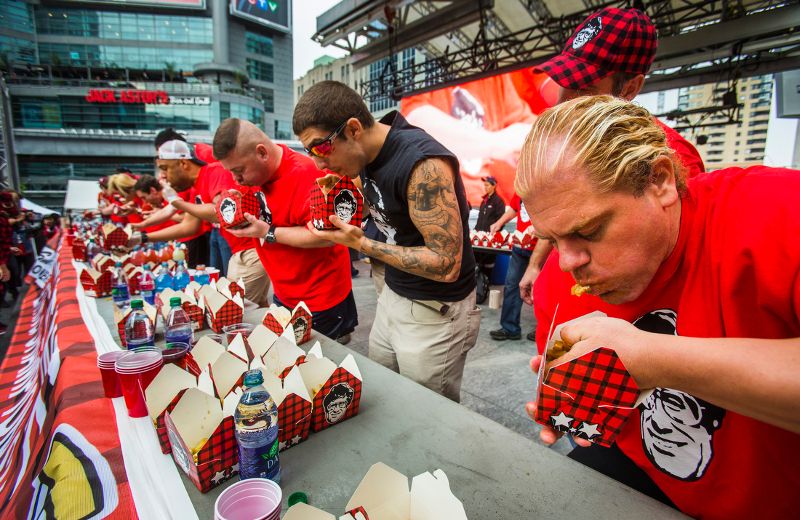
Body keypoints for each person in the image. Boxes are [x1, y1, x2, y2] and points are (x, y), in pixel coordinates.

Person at [519, 95, 799, 518]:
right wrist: (573, 406)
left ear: (660, 181)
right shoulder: (557, 284)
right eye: (552, 239)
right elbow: (593, 414)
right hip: (645, 480)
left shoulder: (773, 214)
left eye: (590, 230)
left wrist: (648, 357)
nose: (568, 261)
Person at [293, 81, 481, 402]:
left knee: (427, 411)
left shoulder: (422, 164)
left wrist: (361, 244)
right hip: (393, 295)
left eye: (321, 147)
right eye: (308, 152)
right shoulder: (367, 155)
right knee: (382, 395)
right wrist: (344, 191)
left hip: (433, 310)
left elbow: (446, 263)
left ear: (353, 128)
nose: (318, 163)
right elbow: (387, 205)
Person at [517, 6, 706, 309]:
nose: (564, 101)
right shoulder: (566, 139)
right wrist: (536, 264)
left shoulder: (668, 153)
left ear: (630, 87)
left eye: (583, 88)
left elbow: (677, 261)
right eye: (564, 84)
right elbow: (562, 217)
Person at [212, 118, 358, 342]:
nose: (235, 179)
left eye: (239, 171)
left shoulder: (309, 174)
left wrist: (267, 232)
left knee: (321, 364)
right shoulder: (251, 179)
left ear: (262, 153)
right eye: (231, 172)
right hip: (283, 292)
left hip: (320, 296)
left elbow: (329, 237)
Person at [486, 193, 537, 341]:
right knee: (512, 285)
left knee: (542, 288)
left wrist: (540, 225)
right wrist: (499, 222)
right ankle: (510, 328)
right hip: (520, 246)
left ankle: (544, 329)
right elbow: (515, 207)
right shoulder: (521, 185)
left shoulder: (546, 181)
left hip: (542, 247)